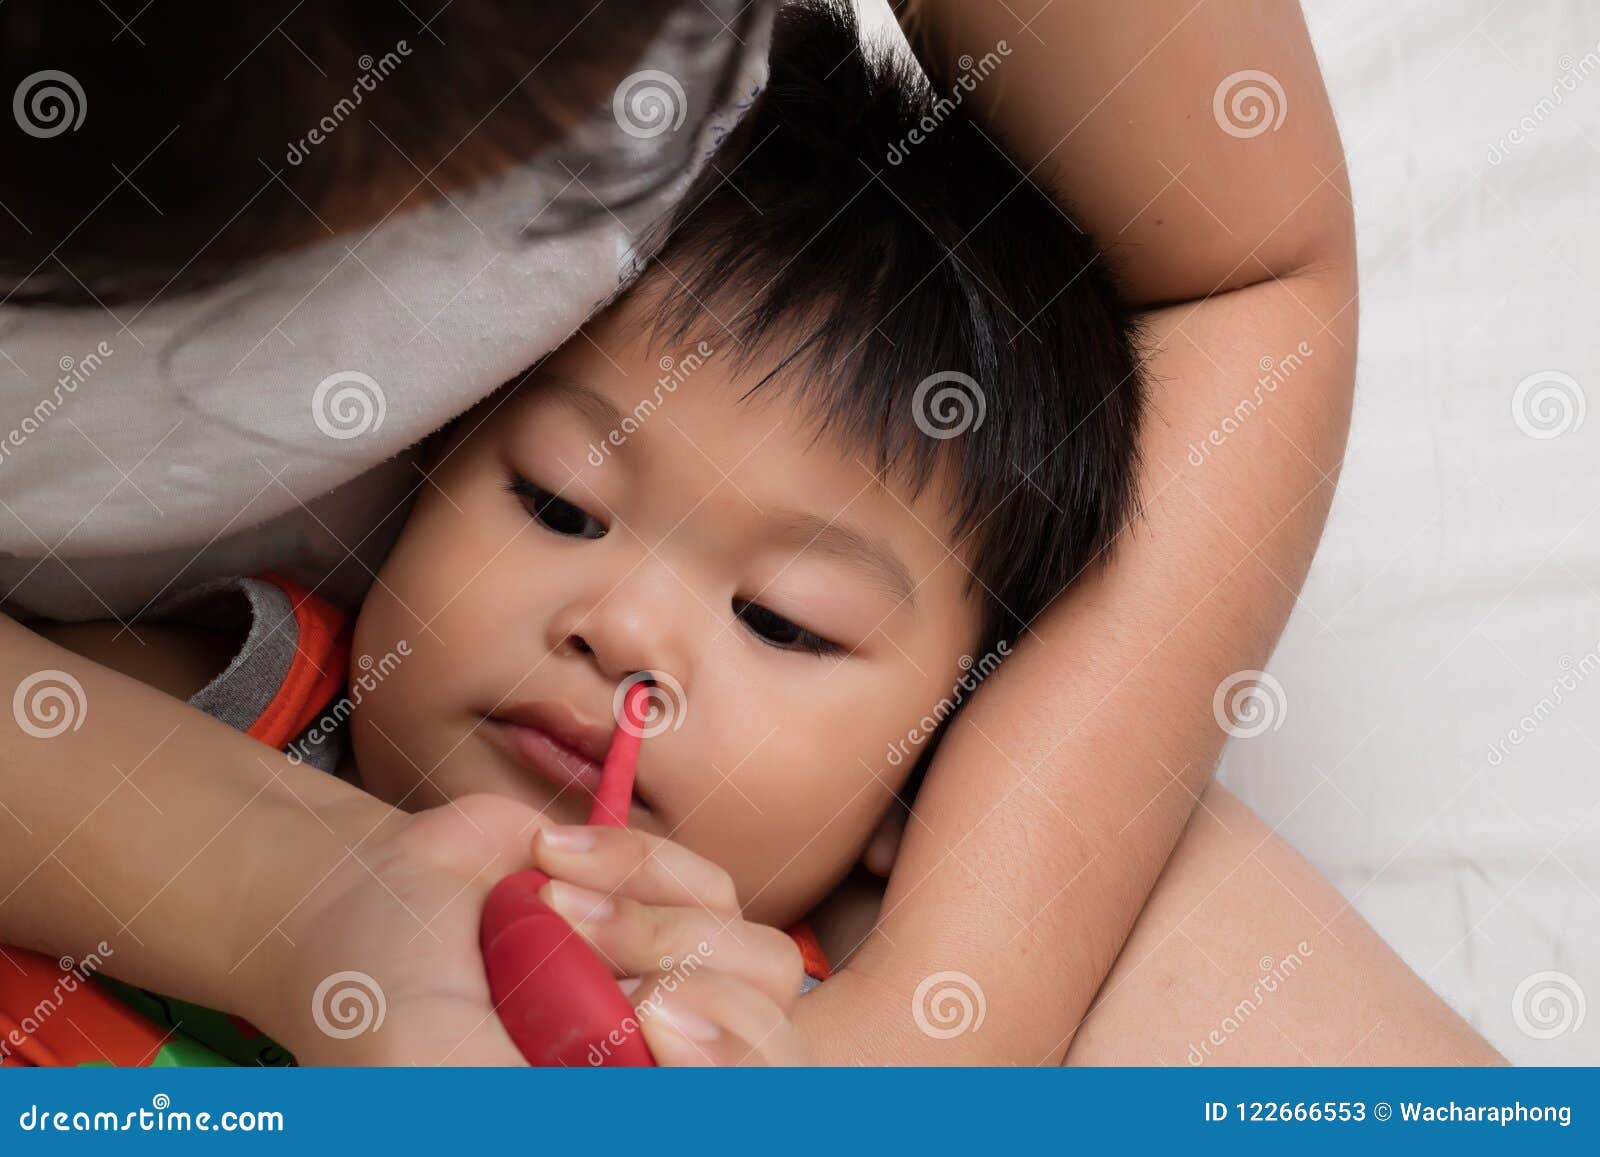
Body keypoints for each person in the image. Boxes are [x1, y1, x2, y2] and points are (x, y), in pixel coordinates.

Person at [0, 0, 1501, 1064]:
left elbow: (1242, 269)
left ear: (938, 755)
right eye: (559, 505)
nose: (631, 633)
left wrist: (929, 1030)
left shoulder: (799, 996)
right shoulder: (204, 692)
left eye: (785, 619)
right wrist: (296, 890)